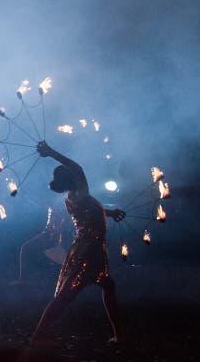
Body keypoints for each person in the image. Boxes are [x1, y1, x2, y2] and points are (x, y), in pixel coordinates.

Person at [30, 141, 126, 347]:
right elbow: (78, 167)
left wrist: (110, 213)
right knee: (65, 297)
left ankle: (119, 335)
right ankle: (37, 337)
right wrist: (51, 152)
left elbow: (89, 214)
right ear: (71, 178)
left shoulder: (74, 197)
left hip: (90, 250)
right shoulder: (78, 192)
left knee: (108, 286)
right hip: (88, 253)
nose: (77, 174)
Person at [17, 194, 69, 281]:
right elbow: (41, 204)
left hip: (60, 238)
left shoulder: (65, 201)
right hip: (50, 235)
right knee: (26, 248)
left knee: (27, 249)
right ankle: (23, 280)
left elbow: (66, 226)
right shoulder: (53, 203)